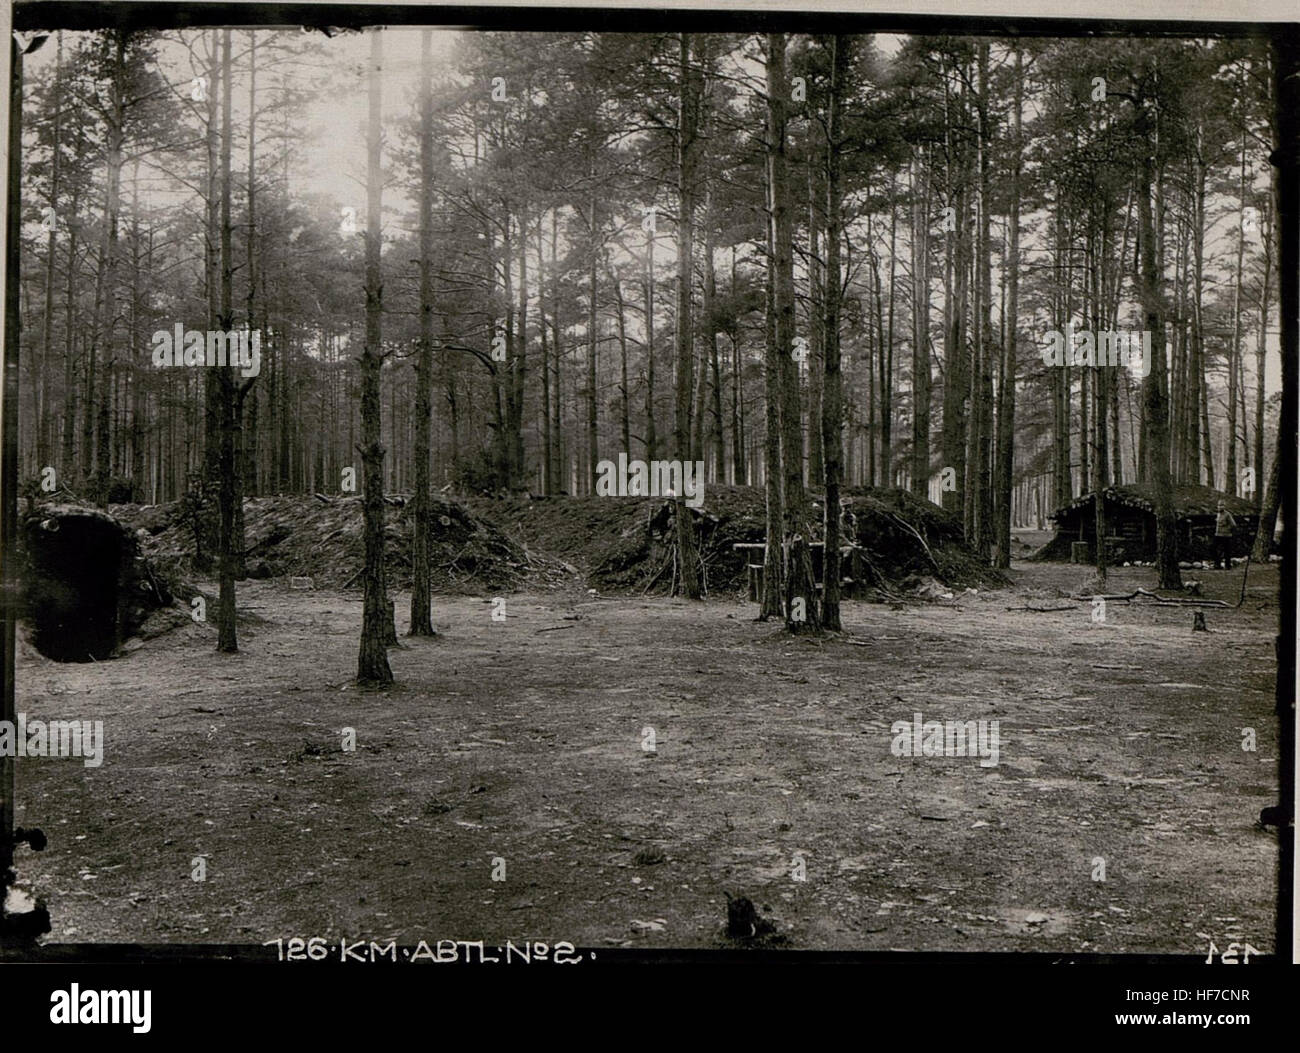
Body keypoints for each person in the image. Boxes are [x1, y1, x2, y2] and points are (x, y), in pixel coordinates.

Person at [1213, 500, 1237, 570]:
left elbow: (1233, 525)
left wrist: (1227, 530)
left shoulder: (1227, 514)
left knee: (1227, 551)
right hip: (1218, 535)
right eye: (1219, 505)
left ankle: (1227, 565)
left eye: (1222, 505)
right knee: (1213, 549)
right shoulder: (1218, 514)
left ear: (1224, 506)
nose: (1220, 507)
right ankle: (1217, 564)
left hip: (1226, 536)